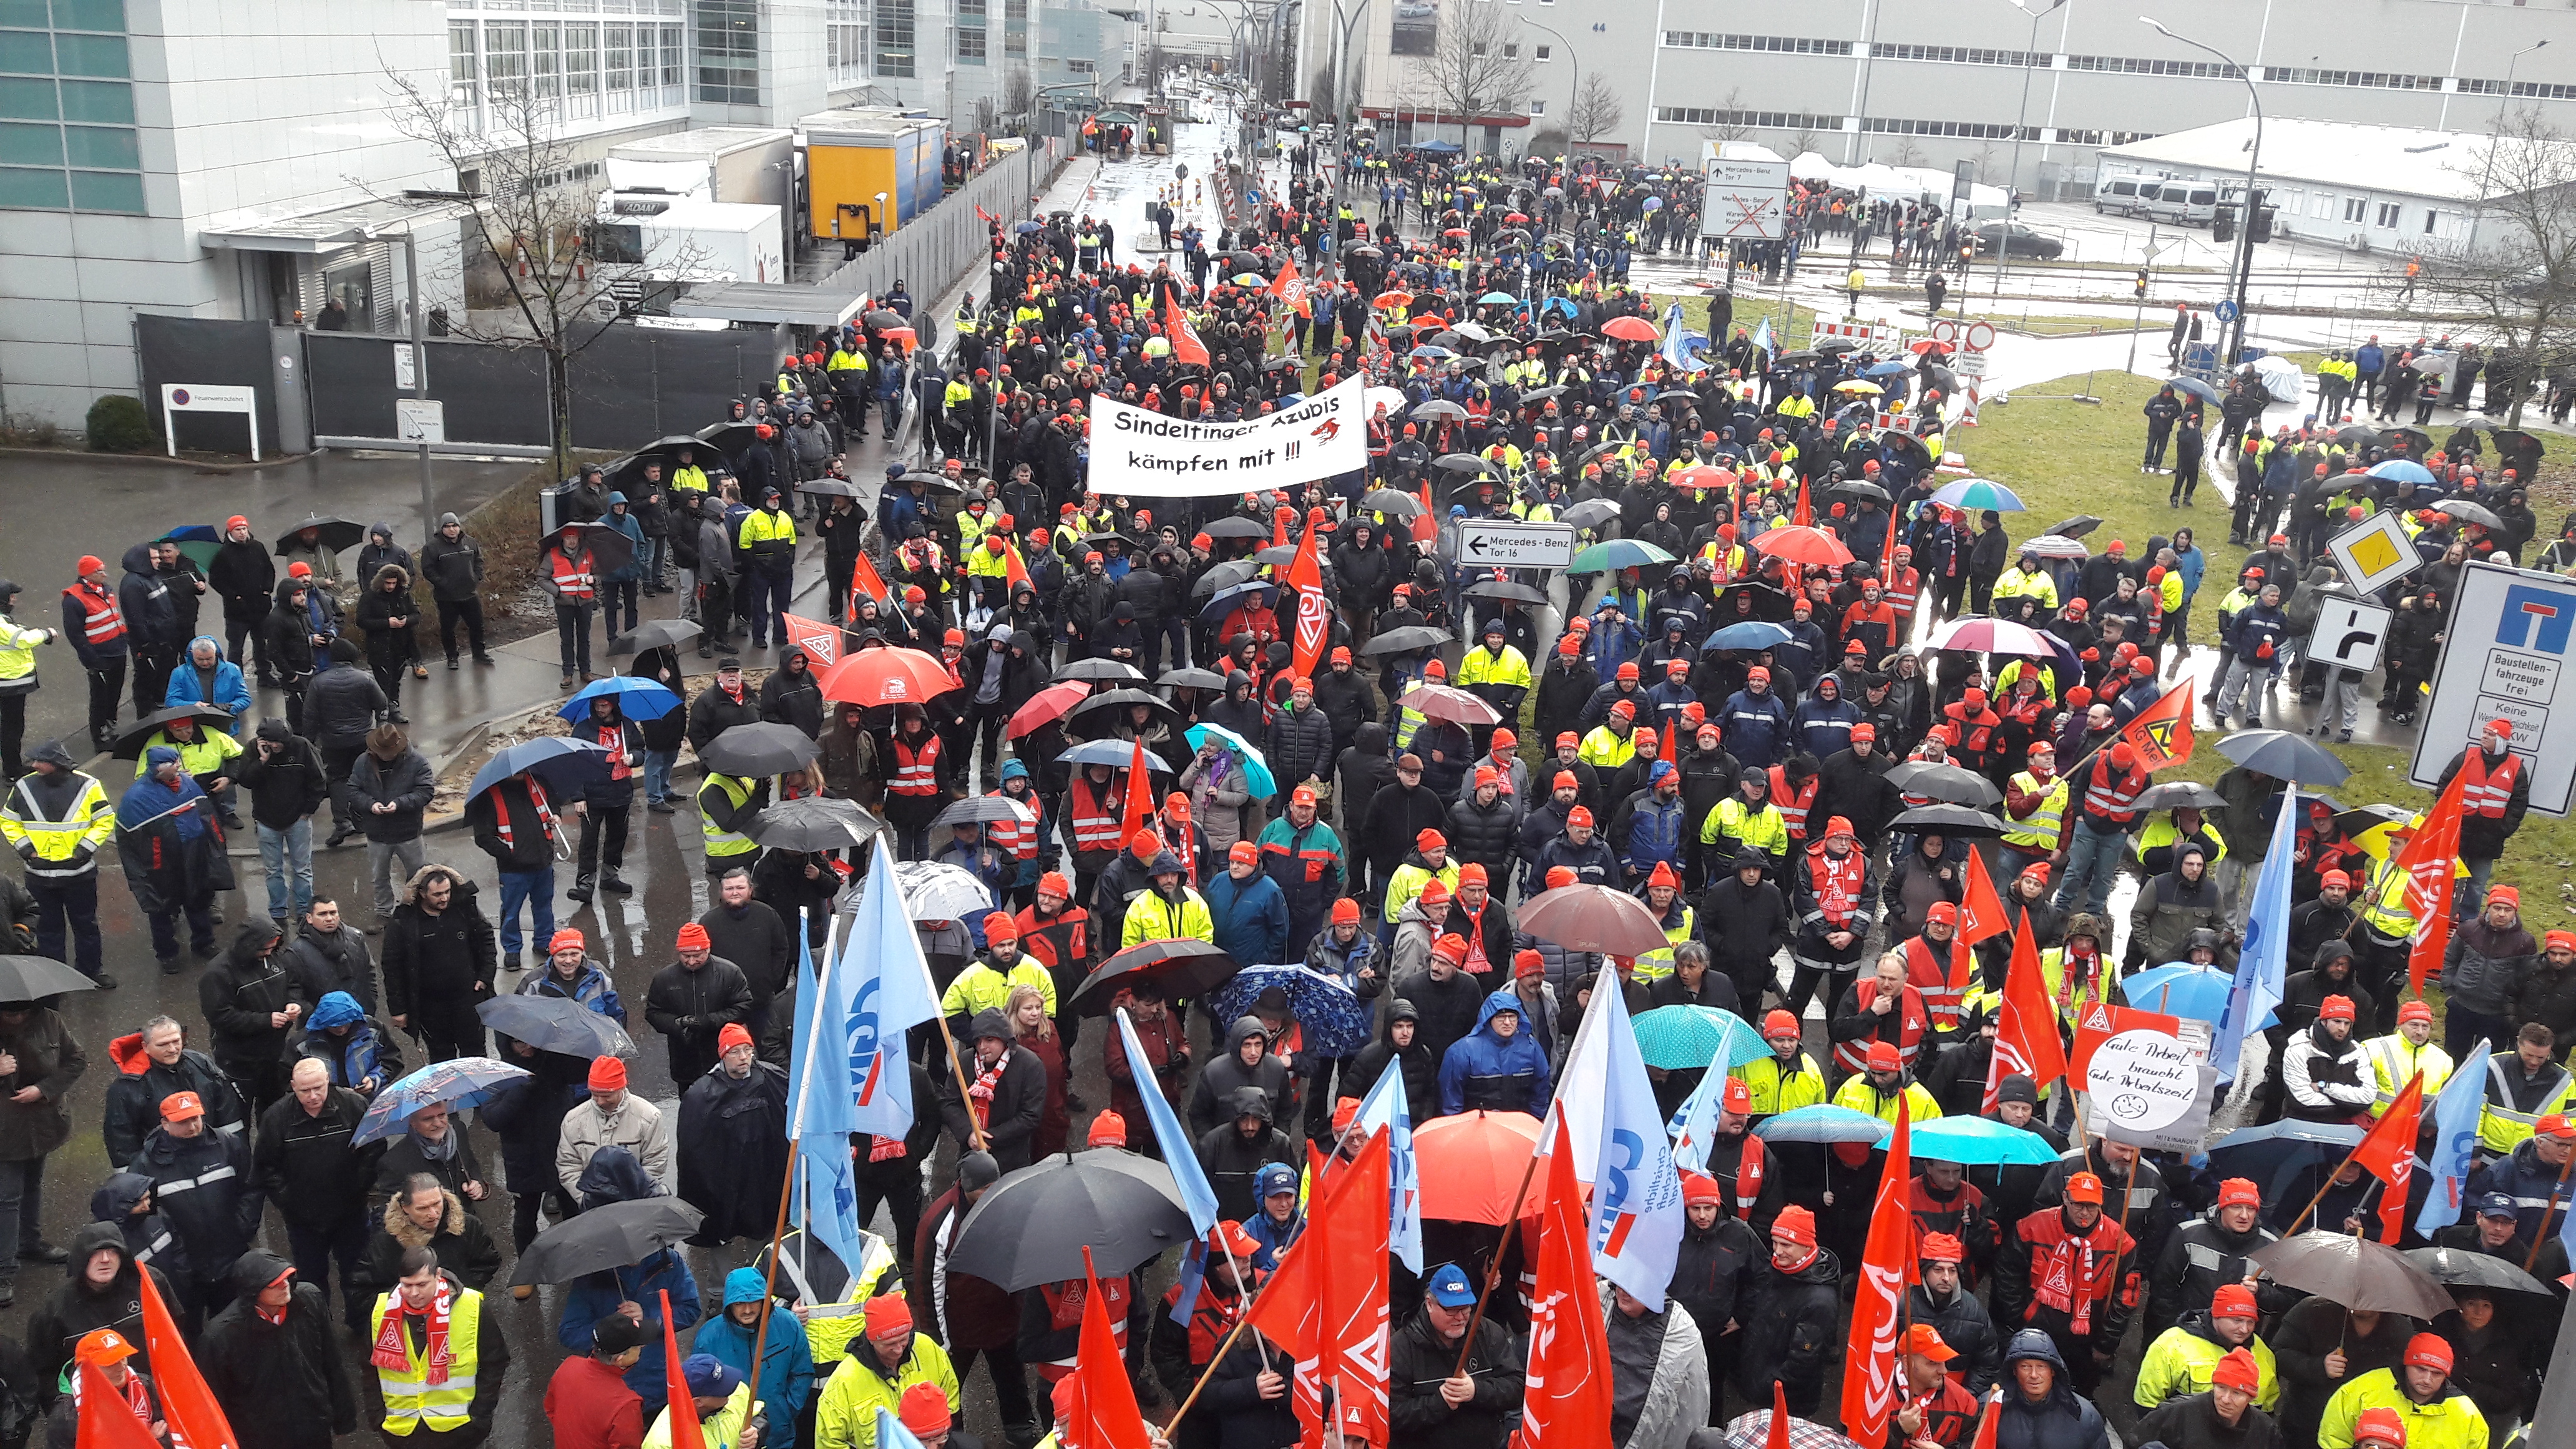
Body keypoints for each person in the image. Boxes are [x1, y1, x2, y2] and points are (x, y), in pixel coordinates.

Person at [255, 1056, 381, 1327]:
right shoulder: (276, 1118)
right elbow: (266, 1167)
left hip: (350, 1213)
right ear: (292, 1087)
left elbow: (373, 1150)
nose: (313, 1096)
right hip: (304, 1219)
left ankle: (361, 1326)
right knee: (311, 1281)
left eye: (318, 1088)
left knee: (358, 1274)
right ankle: (319, 1330)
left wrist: (358, 1190)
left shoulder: (354, 1106)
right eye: (304, 1091)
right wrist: (290, 1202)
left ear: (328, 1082)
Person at [1993, 1172, 2136, 1397]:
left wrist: (2106, 1344)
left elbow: (2126, 1298)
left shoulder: (2121, 1243)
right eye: (2079, 1204)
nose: (2085, 1213)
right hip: (2036, 1327)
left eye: (2092, 1206)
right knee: (2026, 1391)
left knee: (2079, 1394)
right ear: (2065, 1198)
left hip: (2086, 1338)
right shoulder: (2032, 1226)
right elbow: (2007, 1273)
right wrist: (2018, 1317)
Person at [198, 1252, 359, 1449]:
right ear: (253, 1291)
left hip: (314, 1430)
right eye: (275, 1283)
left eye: (287, 1278)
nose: (285, 1286)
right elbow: (212, 1402)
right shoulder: (219, 1338)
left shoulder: (311, 1300)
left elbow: (331, 1361)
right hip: (261, 1440)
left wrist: (344, 1418)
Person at [366, 1246, 511, 1445]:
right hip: (402, 1432)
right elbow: (369, 1368)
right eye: (407, 1285)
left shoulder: (472, 1307)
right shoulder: (381, 1310)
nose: (414, 1293)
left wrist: (480, 1417)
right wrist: (377, 1417)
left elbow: (495, 1362)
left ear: (438, 1275)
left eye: (422, 1284)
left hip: (459, 1430)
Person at [134, 1090, 259, 1318]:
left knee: (233, 1327)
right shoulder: (145, 1165)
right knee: (189, 1330)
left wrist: (243, 1227)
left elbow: (250, 1187)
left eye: (195, 1118)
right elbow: (145, 1215)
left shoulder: (228, 1145)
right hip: (185, 1268)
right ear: (165, 1124)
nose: (192, 1127)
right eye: (182, 1122)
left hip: (230, 1259)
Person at [1, 738, 114, 985]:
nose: (35, 766)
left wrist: (83, 850)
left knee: (86, 926)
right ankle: (55, 977)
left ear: (55, 763)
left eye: (40, 762)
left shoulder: (89, 786)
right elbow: (8, 820)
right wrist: (28, 851)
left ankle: (90, 973)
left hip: (78, 875)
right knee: (48, 930)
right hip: (41, 875)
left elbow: (104, 819)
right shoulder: (23, 786)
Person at [115, 745, 232, 973]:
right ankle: (167, 953)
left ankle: (204, 942)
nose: (179, 765)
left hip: (195, 856)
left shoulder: (187, 783)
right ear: (158, 769)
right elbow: (127, 842)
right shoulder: (136, 798)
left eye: (177, 761)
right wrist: (139, 874)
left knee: (198, 900)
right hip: (161, 865)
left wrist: (216, 850)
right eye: (173, 763)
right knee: (161, 909)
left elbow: (208, 817)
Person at [1387, 1263, 1523, 1449]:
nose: (1460, 1317)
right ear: (1429, 1304)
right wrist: (1440, 1403)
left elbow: (1517, 1387)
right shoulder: (1402, 1347)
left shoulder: (1488, 1332)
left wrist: (1476, 1391)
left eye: (1466, 1308)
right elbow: (1391, 1414)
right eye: (1451, 1310)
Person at [676, 1025, 788, 1247]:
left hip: (763, 1175)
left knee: (764, 1233)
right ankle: (721, 1282)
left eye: (748, 1050)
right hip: (724, 1179)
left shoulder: (772, 1079)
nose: (744, 1057)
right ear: (723, 1055)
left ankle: (761, 1275)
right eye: (735, 1052)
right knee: (721, 1233)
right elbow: (692, 1149)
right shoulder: (702, 1094)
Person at [0, 990, 76, 1309]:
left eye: (22, 1013)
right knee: (7, 1198)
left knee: (32, 1186)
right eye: (9, 1014)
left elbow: (76, 1060)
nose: (17, 1019)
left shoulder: (50, 1020)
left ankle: (30, 1242)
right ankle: (4, 1270)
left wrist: (43, 1089)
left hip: (42, 1123)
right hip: (4, 1132)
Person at [382, 864, 499, 1063]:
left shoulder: (465, 911)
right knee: (442, 1058)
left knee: (476, 1054)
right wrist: (398, 1009)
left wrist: (485, 976)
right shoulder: (405, 923)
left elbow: (486, 939)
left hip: (468, 1000)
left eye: (447, 892)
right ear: (422, 893)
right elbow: (392, 967)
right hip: (430, 1007)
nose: (444, 898)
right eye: (437, 894)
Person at [814, 1295, 961, 1449]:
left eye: (903, 1340)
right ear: (871, 1340)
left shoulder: (928, 1349)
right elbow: (828, 1442)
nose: (898, 1349)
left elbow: (952, 1403)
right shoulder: (845, 1380)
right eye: (890, 1344)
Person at [691, 1268, 816, 1449]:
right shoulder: (709, 1336)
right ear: (729, 1304)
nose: (748, 1310)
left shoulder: (788, 1324)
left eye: (754, 1302)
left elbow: (802, 1372)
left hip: (779, 1435)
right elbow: (699, 1387)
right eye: (740, 1303)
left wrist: (786, 1411)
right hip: (732, 1437)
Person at [1733, 1205, 1838, 1417]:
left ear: (1807, 1247)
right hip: (1763, 1383)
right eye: (1775, 1242)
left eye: (1786, 1245)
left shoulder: (1820, 1301)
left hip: (1787, 1404)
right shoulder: (1780, 1270)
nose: (1777, 1251)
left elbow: (1801, 1365)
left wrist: (1767, 1389)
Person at [197, 916, 300, 1112]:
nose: (269, 952)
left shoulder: (274, 956)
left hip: (274, 1053)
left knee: (273, 1111)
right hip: (239, 1059)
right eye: (264, 948)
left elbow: (293, 984)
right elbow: (220, 1016)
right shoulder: (217, 973)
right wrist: (266, 1020)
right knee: (237, 1114)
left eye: (273, 947)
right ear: (249, 945)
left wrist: (293, 1002)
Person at [2316, 1332, 2488, 1449]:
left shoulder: (2467, 1415)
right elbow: (2333, 1437)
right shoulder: (2364, 1389)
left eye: (2437, 1373)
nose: (2427, 1379)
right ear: (2407, 1364)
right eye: (2420, 1369)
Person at [466, 763, 560, 973]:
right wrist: (510, 855)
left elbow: (553, 805)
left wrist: (556, 817)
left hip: (543, 862)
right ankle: (512, 950)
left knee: (544, 905)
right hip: (513, 870)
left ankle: (544, 941)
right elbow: (483, 837)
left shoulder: (538, 783)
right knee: (511, 911)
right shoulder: (489, 797)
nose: (519, 773)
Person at [237, 718, 328, 929]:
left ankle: (304, 912)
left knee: (302, 869)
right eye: (271, 742)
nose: (276, 746)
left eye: (280, 742)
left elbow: (319, 780)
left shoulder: (303, 746)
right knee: (273, 870)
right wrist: (262, 761)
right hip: (267, 821)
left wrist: (308, 811)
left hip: (298, 820)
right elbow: (245, 781)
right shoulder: (253, 750)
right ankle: (278, 912)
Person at [2137, 1284, 2280, 1413]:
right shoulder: (2172, 1344)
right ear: (2217, 1316)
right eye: (2237, 1320)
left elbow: (2268, 1406)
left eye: (2251, 1322)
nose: (2244, 1329)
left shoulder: (2262, 1351)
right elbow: (2148, 1404)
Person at [646, 922, 754, 1088]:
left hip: (722, 1054)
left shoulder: (729, 973)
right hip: (684, 1059)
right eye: (685, 956)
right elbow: (653, 1012)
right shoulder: (664, 978)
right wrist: (678, 1023)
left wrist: (709, 1021)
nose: (691, 961)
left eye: (697, 955)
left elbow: (744, 1007)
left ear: (708, 950)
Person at [361, 1171, 502, 1299]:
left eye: (436, 1204)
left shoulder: (469, 1225)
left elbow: (488, 1261)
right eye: (423, 1208)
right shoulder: (386, 1243)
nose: (433, 1214)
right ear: (405, 1208)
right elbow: (366, 1289)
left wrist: (463, 1288)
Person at [1604, 1282, 1707, 1449]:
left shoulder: (1681, 1332)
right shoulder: (1601, 1301)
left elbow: (1691, 1408)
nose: (1623, 1290)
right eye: (1620, 1280)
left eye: (1634, 1282)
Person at [349, 724, 434, 924]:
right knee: (379, 878)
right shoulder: (363, 762)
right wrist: (371, 805)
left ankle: (416, 912)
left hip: (408, 832)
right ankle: (383, 913)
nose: (385, 756)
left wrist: (399, 803)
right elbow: (353, 791)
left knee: (418, 876)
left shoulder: (417, 762)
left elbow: (426, 791)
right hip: (377, 833)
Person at [567, 695, 645, 903]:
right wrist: (578, 797)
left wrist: (634, 758)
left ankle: (610, 876)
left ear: (613, 706)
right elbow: (573, 766)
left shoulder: (626, 726)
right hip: (592, 797)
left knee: (617, 838)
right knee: (588, 842)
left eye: (604, 705)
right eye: (597, 705)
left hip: (621, 793)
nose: (600, 709)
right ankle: (585, 884)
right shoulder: (583, 729)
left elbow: (640, 750)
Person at [558, 1055, 672, 1194]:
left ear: (621, 1088)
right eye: (595, 1094)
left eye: (606, 1096)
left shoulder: (649, 1117)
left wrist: (633, 1197)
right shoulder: (573, 1120)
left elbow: (655, 1163)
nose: (600, 1101)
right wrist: (585, 1198)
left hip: (633, 1204)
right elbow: (568, 1165)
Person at [1438, 988, 1553, 1116]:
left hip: (1520, 1126)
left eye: (1512, 1017)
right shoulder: (1462, 1051)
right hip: (1478, 1128)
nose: (1507, 1023)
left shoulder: (1531, 1047)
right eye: (1501, 1017)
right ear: (1489, 1018)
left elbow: (1541, 1091)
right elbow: (1451, 1100)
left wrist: (1536, 1122)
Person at [547, 1314, 650, 1449]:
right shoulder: (625, 1405)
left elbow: (551, 1409)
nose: (642, 1347)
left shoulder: (568, 1366)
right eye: (637, 1346)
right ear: (619, 1359)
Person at [1993, 1330, 2110, 1449]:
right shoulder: (1990, 1410)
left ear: (2053, 1371)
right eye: (2025, 1367)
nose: (2034, 1374)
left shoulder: (2084, 1416)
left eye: (2041, 1367)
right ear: (2014, 1371)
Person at [60, 554, 128, 751]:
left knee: (114, 693)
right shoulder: (74, 600)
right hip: (99, 656)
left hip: (117, 650)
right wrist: (92, 660)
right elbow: (75, 635)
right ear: (87, 574)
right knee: (100, 698)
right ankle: (99, 737)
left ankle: (110, 726)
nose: (104, 574)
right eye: (99, 571)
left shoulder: (105, 590)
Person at [543, 524, 602, 688]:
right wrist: (557, 592)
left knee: (584, 638)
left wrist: (594, 580)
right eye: (568, 538)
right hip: (564, 603)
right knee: (566, 639)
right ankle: (568, 672)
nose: (571, 542)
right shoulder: (553, 555)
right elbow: (541, 578)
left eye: (574, 538)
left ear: (578, 539)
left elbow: (598, 573)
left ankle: (585, 670)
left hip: (585, 602)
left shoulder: (588, 553)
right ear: (563, 540)